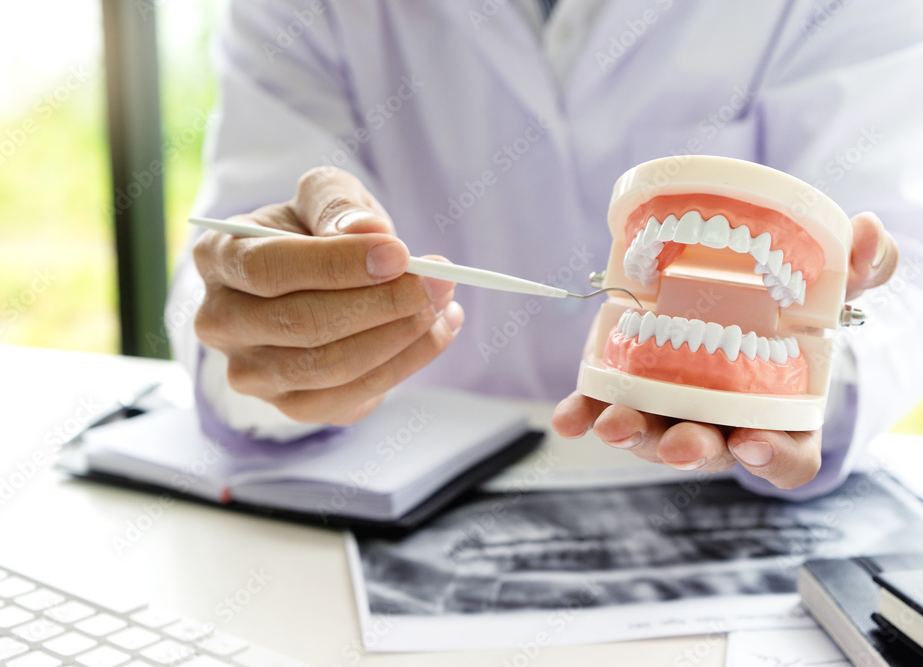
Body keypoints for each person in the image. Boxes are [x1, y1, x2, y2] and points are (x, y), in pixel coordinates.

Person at [167, 0, 923, 500]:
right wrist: (275, 330)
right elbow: (244, 244)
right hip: (400, 492)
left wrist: (802, 392)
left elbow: (892, 266)